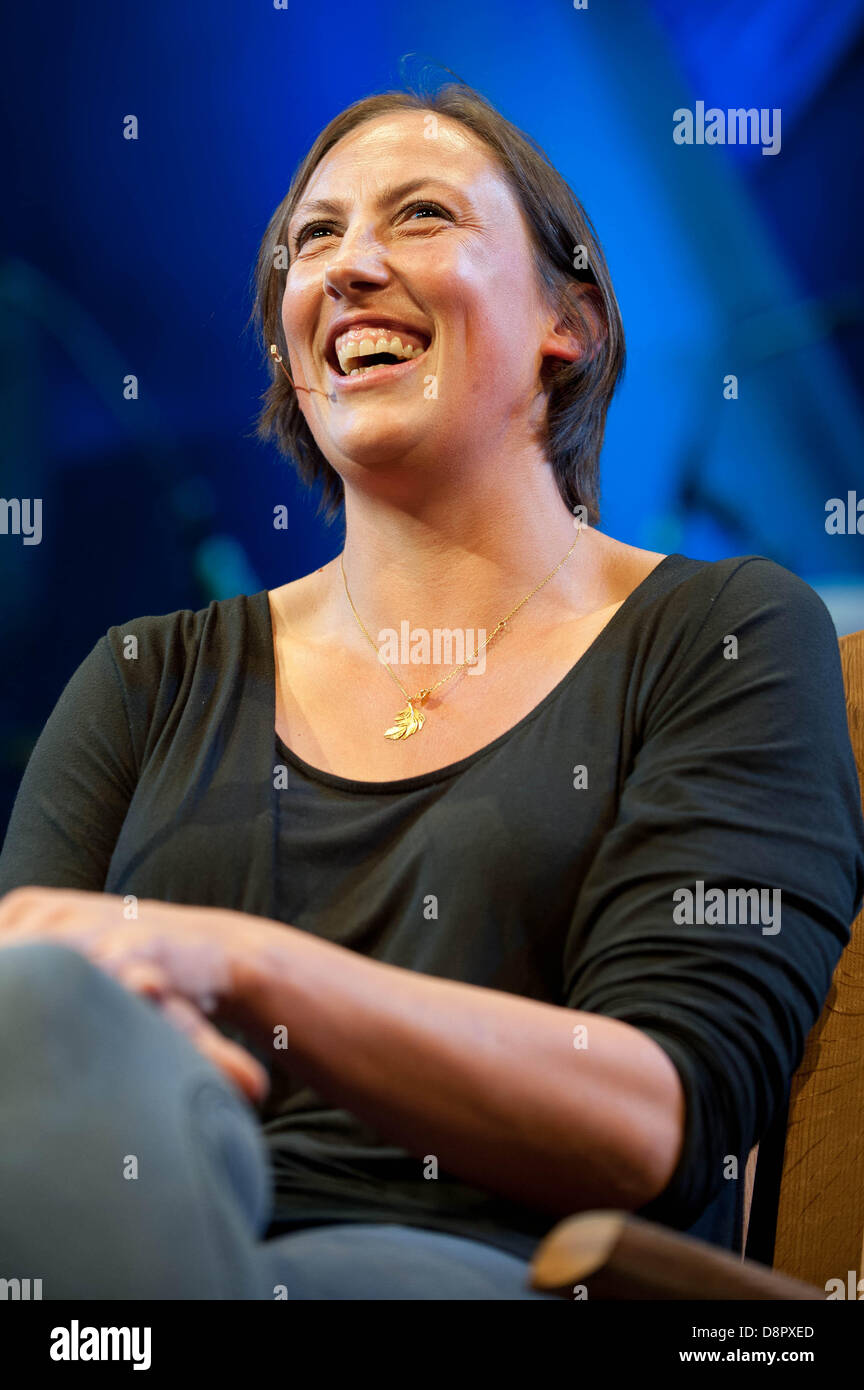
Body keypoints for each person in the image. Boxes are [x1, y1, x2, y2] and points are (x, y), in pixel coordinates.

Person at [0, 81, 861, 1302]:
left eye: (419, 217)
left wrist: (238, 965)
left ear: (569, 320)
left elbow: (660, 1115)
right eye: (314, 238)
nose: (349, 267)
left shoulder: (718, 635)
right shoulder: (149, 677)